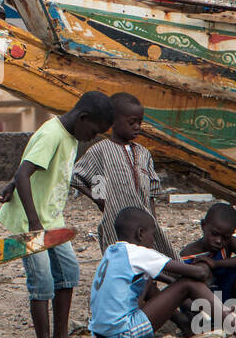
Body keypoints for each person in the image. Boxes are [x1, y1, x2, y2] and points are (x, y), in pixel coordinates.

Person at [0, 90, 113, 338]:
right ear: (83, 118)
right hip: (32, 223)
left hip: (53, 220)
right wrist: (35, 223)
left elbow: (52, 172)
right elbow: (25, 173)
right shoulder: (52, 134)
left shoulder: (71, 136)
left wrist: (90, 194)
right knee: (42, 285)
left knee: (69, 273)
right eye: (95, 131)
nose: (93, 138)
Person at [89, 208, 236, 338]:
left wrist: (178, 289)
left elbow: (161, 276)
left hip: (103, 336)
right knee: (189, 283)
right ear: (141, 233)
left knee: (155, 279)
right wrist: (207, 265)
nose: (153, 242)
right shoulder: (139, 253)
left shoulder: (112, 252)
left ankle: (187, 325)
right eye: (153, 236)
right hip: (124, 335)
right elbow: (199, 274)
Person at [71, 92, 173, 256]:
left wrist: (153, 219)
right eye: (132, 122)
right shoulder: (101, 150)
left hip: (143, 222)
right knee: (120, 258)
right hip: (115, 221)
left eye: (140, 122)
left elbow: (152, 190)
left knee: (150, 260)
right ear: (114, 122)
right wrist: (98, 198)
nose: (137, 127)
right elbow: (79, 177)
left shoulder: (144, 153)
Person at [177, 202, 236, 303]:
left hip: (226, 294)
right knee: (201, 269)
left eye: (225, 237)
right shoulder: (187, 254)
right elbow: (181, 288)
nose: (219, 241)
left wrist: (216, 264)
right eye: (214, 234)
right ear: (203, 225)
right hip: (202, 301)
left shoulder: (228, 242)